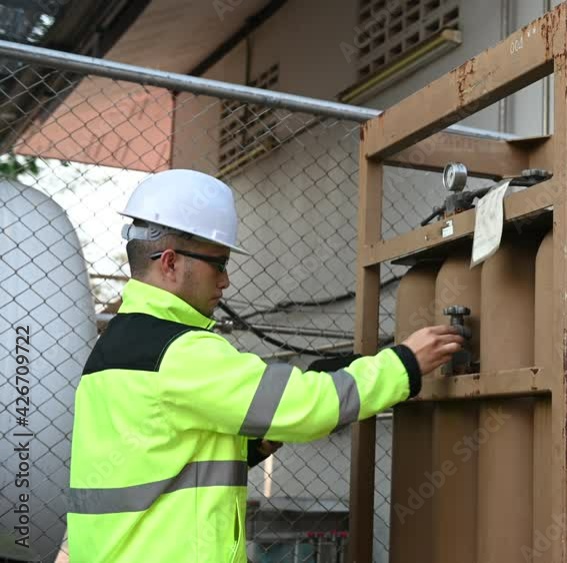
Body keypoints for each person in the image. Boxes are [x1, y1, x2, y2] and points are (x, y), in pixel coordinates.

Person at [66, 169, 462, 562]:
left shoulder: (114, 348)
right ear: (170, 263)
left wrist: (250, 444)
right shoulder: (180, 352)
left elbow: (157, 454)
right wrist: (405, 363)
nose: (226, 281)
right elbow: (309, 407)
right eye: (218, 263)